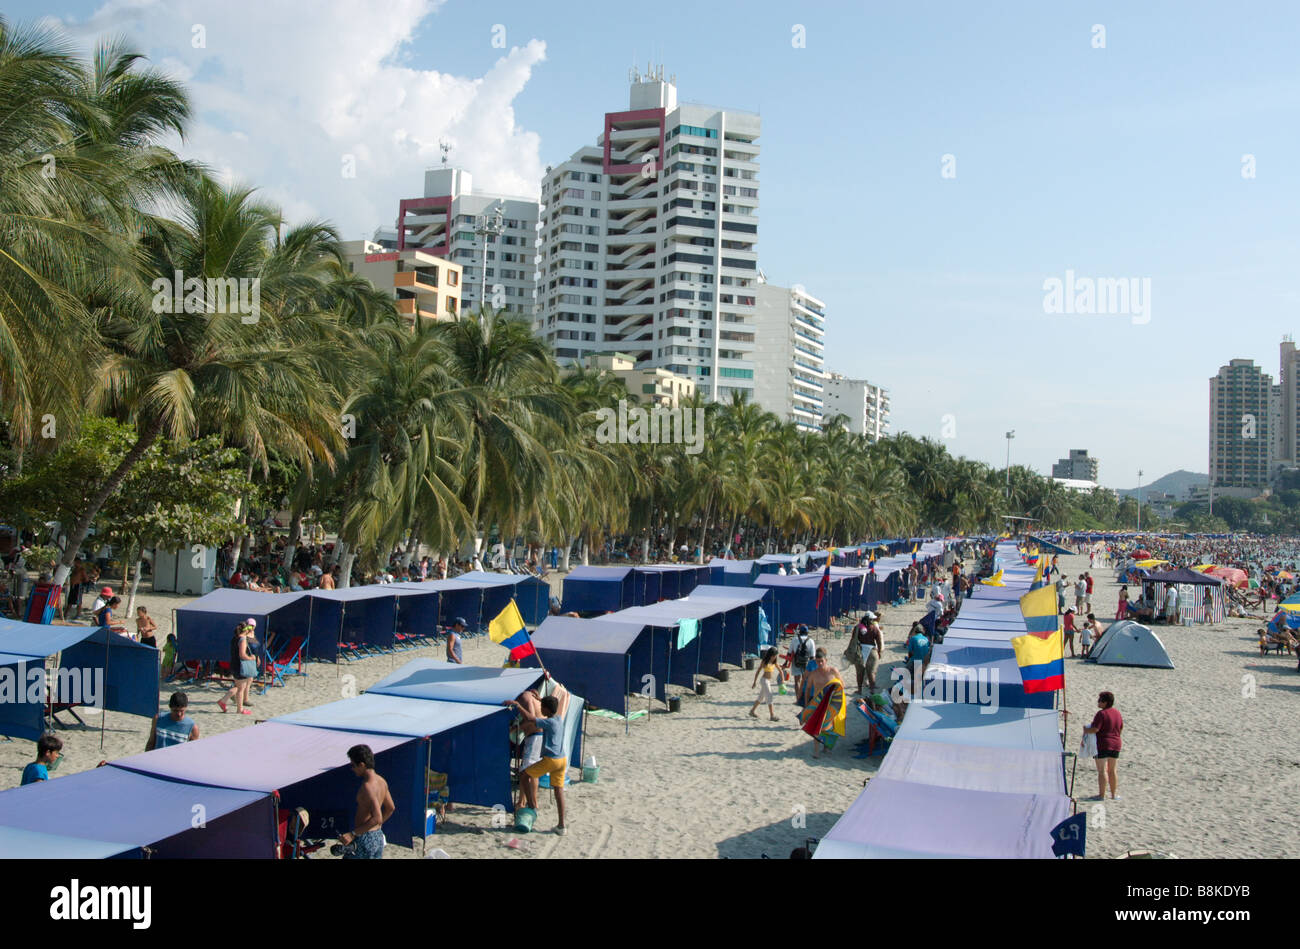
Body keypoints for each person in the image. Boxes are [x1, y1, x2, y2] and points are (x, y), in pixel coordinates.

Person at [506, 692, 572, 835]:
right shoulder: (559, 718)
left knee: (523, 775)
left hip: (551, 760)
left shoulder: (548, 722)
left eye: (542, 708)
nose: (540, 710)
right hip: (562, 760)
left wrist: (517, 705)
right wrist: (541, 700)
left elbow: (530, 718)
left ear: (547, 710)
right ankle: (561, 826)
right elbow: (550, 707)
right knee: (558, 791)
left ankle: (531, 807)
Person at [337, 745, 395, 858]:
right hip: (378, 836)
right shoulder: (381, 781)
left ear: (362, 765)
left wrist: (352, 834)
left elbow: (377, 817)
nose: (352, 769)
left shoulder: (367, 787)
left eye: (353, 765)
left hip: (364, 837)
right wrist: (377, 827)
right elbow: (390, 808)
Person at [798, 649, 846, 758]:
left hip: (830, 703)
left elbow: (842, 685)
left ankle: (825, 747)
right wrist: (806, 705)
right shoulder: (813, 675)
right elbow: (808, 689)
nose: (819, 664)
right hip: (818, 704)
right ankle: (816, 751)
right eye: (817, 661)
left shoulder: (833, 671)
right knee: (816, 727)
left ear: (826, 660)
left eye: (821, 661)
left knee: (828, 727)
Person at [1083, 691, 1123, 801]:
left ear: (1105, 702)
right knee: (1112, 770)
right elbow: (1120, 728)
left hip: (1103, 744)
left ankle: (1101, 795)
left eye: (1100, 700)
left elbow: (1096, 729)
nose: (1098, 702)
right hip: (1116, 743)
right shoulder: (1117, 713)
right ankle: (1114, 795)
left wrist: (1085, 730)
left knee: (1102, 770)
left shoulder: (1101, 714)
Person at [218, 620, 258, 714]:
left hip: (234, 664)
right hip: (241, 665)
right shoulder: (242, 639)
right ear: (246, 630)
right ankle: (239, 709)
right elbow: (242, 655)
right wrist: (251, 658)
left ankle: (223, 701)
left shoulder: (234, 638)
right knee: (241, 689)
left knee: (239, 686)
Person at [749, 647, 781, 721]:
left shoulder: (774, 662)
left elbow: (780, 670)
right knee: (769, 696)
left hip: (768, 681)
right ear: (771, 655)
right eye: (774, 655)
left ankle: (752, 711)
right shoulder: (764, 661)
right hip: (764, 680)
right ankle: (772, 715)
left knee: (761, 697)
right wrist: (754, 682)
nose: (775, 657)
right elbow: (758, 671)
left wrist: (782, 680)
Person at [787, 625, 816, 698]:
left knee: (797, 681)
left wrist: (785, 663)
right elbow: (812, 657)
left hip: (796, 662)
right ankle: (805, 697)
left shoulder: (794, 639)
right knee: (806, 681)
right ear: (807, 632)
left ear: (800, 631)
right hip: (806, 663)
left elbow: (789, 653)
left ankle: (798, 698)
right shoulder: (811, 641)